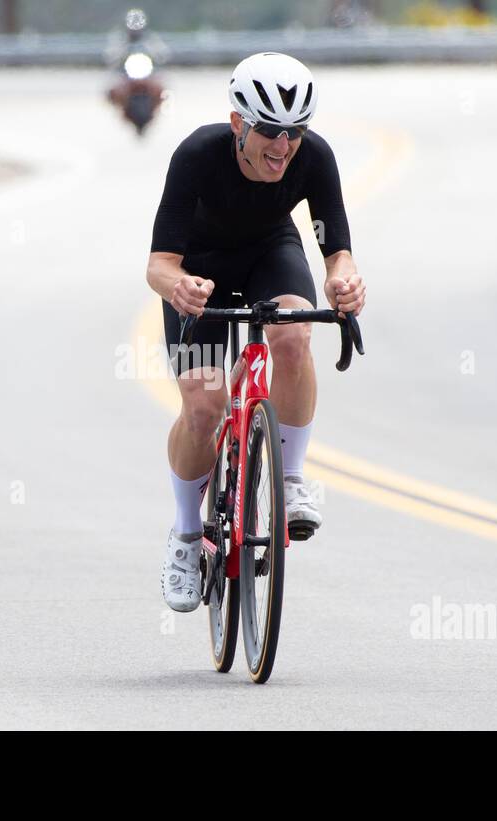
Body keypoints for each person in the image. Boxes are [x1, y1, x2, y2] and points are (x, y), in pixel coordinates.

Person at [145, 52, 366, 612]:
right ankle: (185, 535)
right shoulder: (198, 154)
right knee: (204, 407)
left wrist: (344, 282)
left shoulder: (313, 157)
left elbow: (337, 253)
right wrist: (179, 288)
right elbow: (159, 265)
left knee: (293, 335)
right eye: (270, 130)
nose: (283, 145)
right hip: (198, 270)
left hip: (271, 251)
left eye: (294, 131)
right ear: (239, 123)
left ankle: (289, 480)